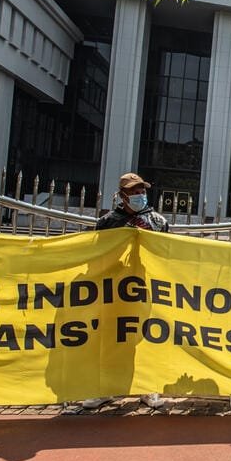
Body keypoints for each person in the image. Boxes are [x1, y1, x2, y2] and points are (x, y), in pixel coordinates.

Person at [86, 172, 169, 410]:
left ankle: (148, 388)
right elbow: (96, 256)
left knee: (147, 338)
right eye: (134, 192)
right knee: (112, 339)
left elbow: (167, 255)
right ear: (122, 196)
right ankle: (107, 389)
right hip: (116, 291)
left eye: (142, 191)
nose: (140, 195)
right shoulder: (107, 222)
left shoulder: (158, 222)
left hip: (146, 289)